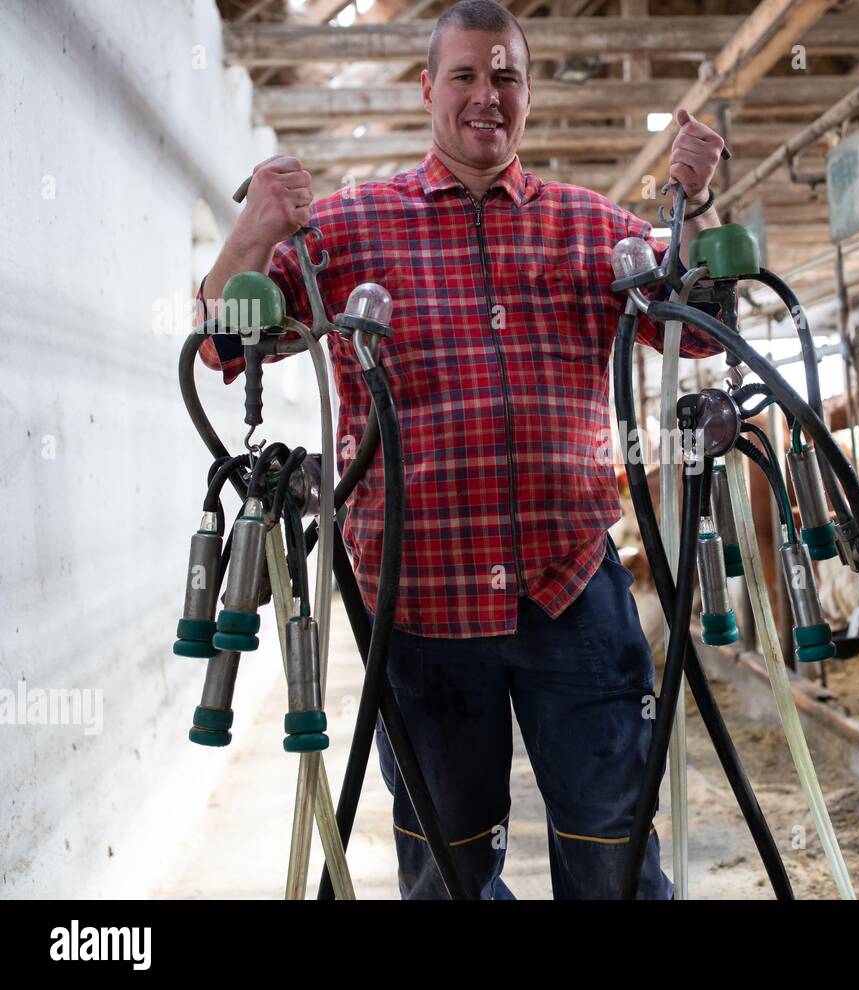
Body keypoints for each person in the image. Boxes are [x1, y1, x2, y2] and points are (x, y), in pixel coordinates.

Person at [197, 0, 727, 899]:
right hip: (419, 602)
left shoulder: (592, 224)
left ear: (528, 93)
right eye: (467, 76)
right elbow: (223, 344)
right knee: (449, 864)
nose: (488, 95)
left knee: (616, 850)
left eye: (507, 77)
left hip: (573, 590)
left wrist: (694, 208)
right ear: (427, 88)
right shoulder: (349, 225)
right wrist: (255, 228)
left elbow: (704, 329)